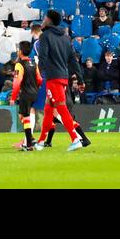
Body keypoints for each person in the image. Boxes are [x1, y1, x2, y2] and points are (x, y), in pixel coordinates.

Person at [33, 10, 87, 152]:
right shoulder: (66, 38)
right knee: (48, 110)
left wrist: (39, 72)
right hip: (63, 77)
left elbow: (43, 57)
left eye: (45, 18)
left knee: (61, 108)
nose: (43, 20)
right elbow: (73, 60)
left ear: (49, 20)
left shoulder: (45, 36)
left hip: (53, 77)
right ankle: (40, 142)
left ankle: (75, 139)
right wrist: (80, 79)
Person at [10, 41, 40, 151]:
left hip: (25, 93)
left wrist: (13, 97)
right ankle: (30, 138)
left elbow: (17, 82)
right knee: (23, 115)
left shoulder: (19, 65)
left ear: (20, 51)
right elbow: (40, 79)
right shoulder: (34, 63)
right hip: (34, 93)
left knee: (25, 117)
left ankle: (29, 144)